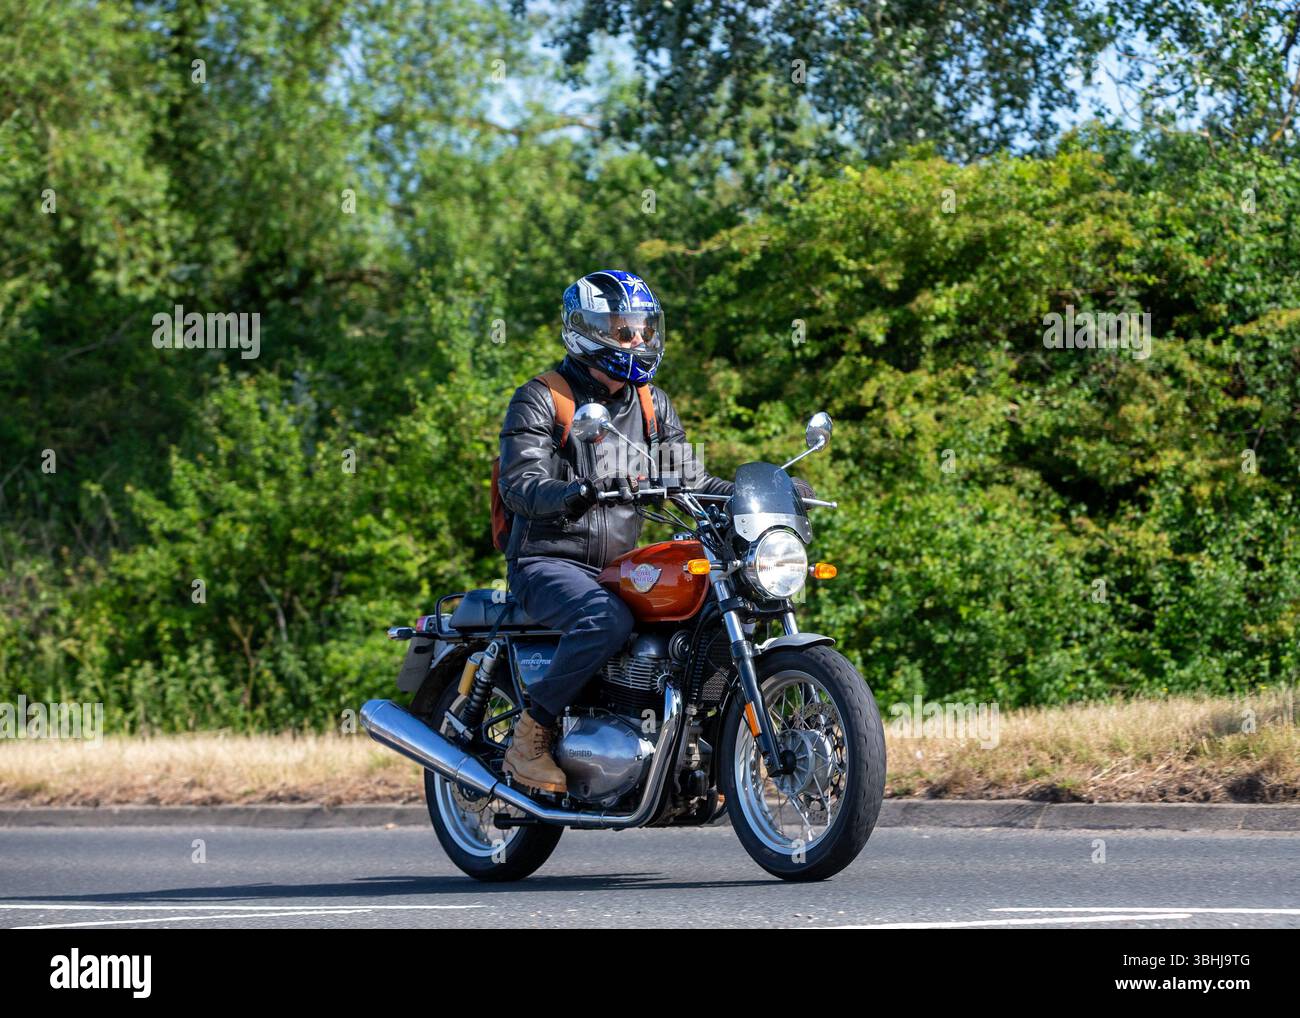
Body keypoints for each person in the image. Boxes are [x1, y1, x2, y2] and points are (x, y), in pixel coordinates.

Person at [494, 269, 736, 795]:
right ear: (586, 329)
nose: (637, 341)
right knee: (605, 618)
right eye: (624, 329)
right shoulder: (543, 398)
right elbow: (521, 482)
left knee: (710, 609)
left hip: (618, 567)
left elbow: (688, 480)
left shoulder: (651, 403)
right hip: (546, 562)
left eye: (643, 329)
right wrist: (574, 490)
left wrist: (751, 492)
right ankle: (529, 735)